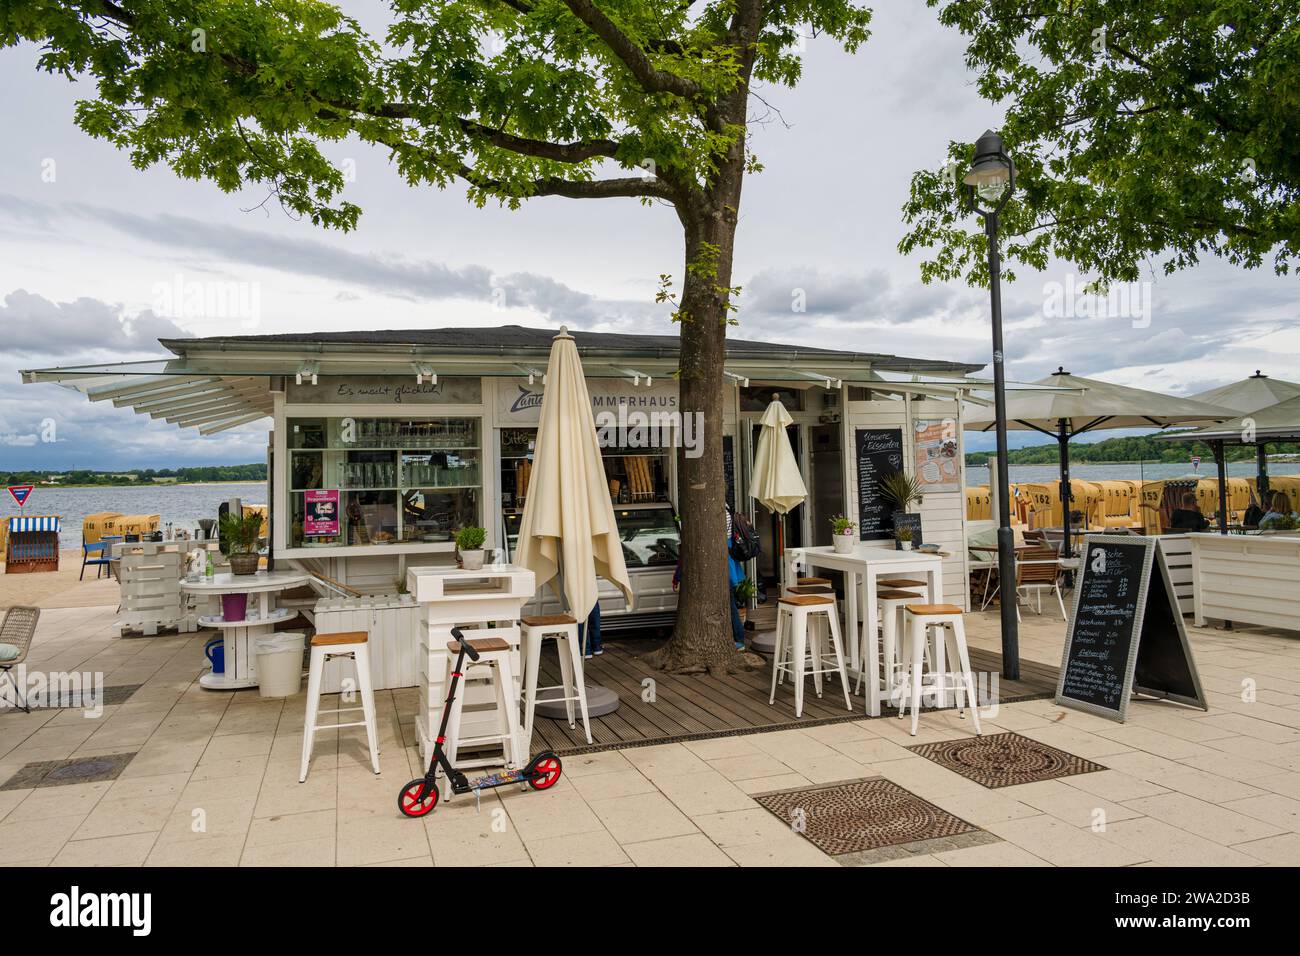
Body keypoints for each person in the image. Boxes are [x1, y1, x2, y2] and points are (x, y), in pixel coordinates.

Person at [672, 505, 746, 651]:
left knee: (728, 602)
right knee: (728, 600)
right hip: (727, 560)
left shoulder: (711, 512)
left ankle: (739, 638)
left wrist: (678, 575)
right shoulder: (726, 510)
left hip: (719, 562)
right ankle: (736, 637)